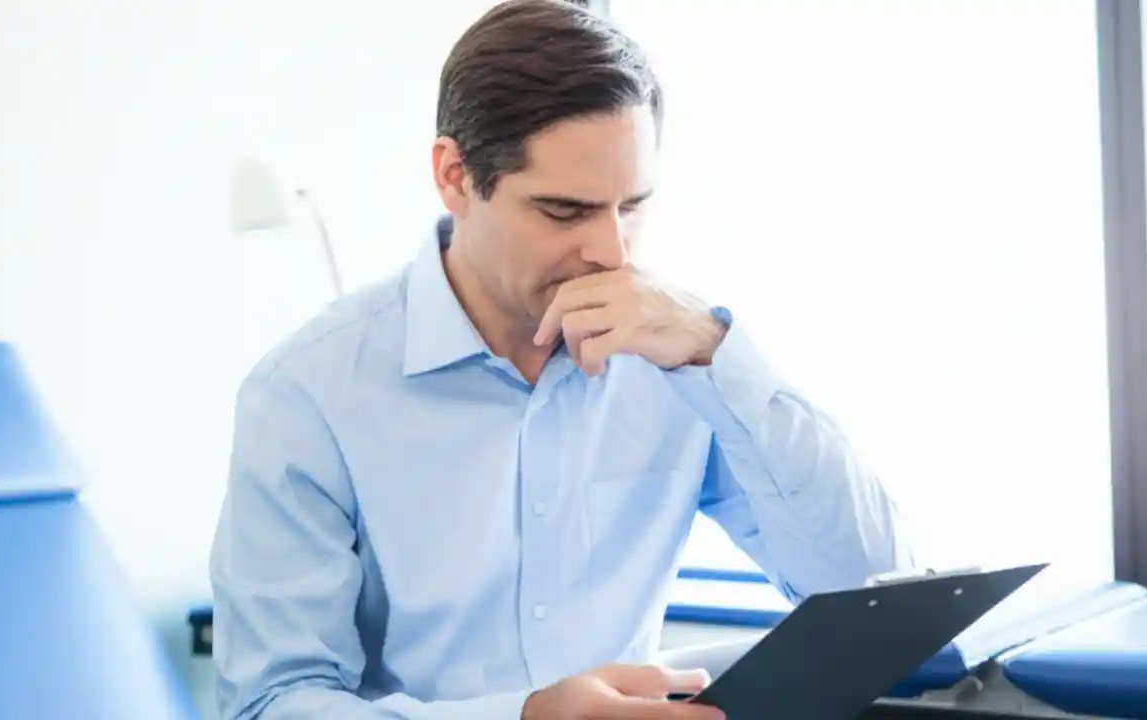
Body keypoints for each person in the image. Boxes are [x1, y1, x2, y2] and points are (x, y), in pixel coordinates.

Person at [210, 1, 911, 717]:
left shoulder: (679, 364)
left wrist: (715, 355)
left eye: (632, 205)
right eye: (565, 212)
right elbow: (272, 703)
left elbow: (878, 590)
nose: (612, 252)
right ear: (454, 175)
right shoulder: (307, 393)